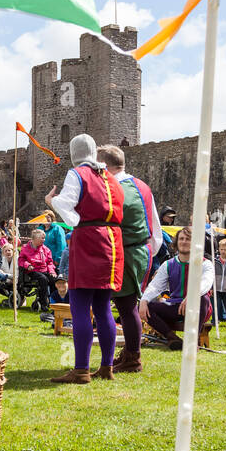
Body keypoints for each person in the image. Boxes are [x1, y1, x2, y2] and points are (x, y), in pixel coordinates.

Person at [47, 134, 124, 383]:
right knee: (103, 308)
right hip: (112, 243)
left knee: (79, 307)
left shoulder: (77, 174)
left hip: (89, 239)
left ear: (73, 153)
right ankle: (106, 367)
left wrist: (51, 201)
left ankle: (81, 369)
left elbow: (69, 210)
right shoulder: (111, 178)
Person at [97, 144, 152, 374]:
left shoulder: (114, 187)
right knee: (124, 305)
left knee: (124, 306)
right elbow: (154, 225)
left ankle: (132, 358)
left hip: (125, 252)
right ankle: (129, 354)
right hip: (139, 250)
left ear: (105, 166)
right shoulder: (141, 186)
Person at [140, 227, 214, 351]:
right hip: (176, 306)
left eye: (188, 239)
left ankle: (193, 341)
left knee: (203, 298)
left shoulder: (205, 264)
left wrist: (191, 296)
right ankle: (172, 338)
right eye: (181, 239)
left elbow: (206, 282)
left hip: (197, 307)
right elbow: (155, 286)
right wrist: (144, 300)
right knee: (146, 306)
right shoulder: (168, 264)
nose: (184, 242)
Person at [17, 227, 59, 317]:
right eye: (41, 238)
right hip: (32, 271)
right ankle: (43, 303)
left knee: (54, 280)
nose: (43, 240)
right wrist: (27, 265)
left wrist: (52, 271)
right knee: (43, 279)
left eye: (44, 238)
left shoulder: (46, 249)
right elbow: (21, 260)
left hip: (44, 270)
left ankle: (54, 303)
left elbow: (50, 262)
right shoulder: (25, 248)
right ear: (34, 239)